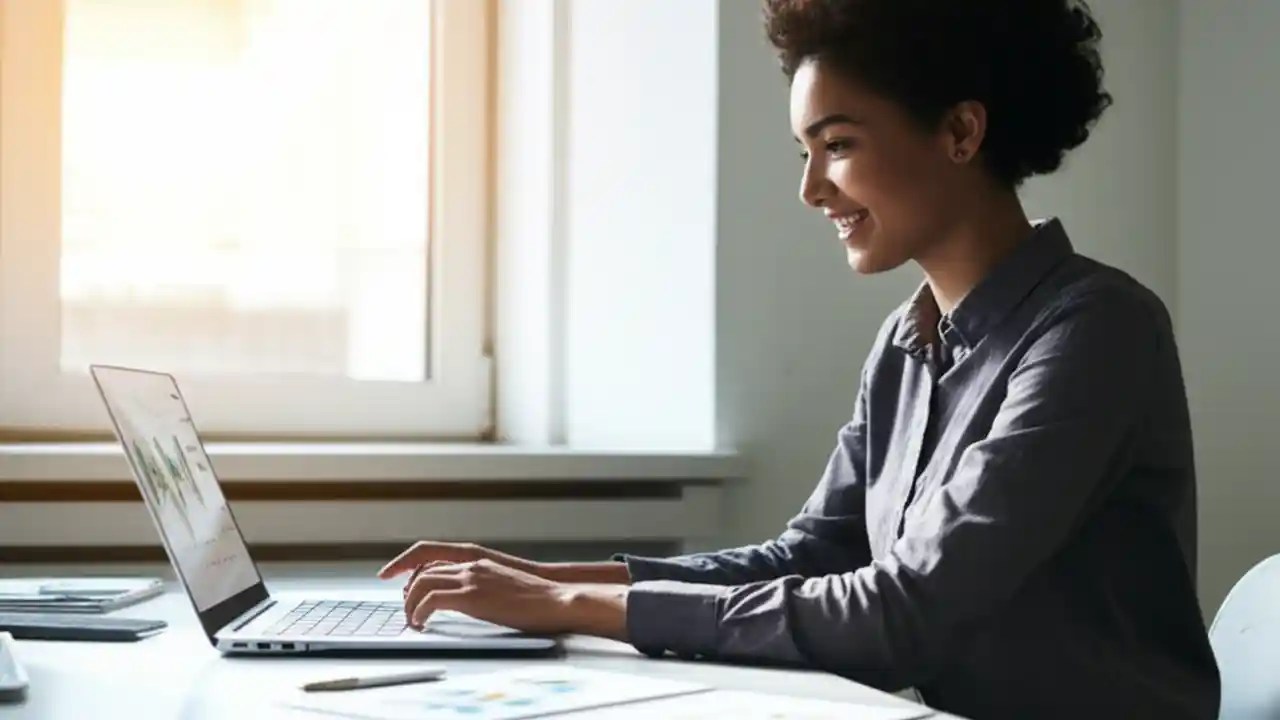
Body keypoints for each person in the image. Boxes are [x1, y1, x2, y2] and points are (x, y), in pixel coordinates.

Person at [378, 1, 1220, 717]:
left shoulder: (1096, 330)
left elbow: (903, 613)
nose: (812, 188)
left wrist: (573, 604)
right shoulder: (905, 344)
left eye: (838, 144)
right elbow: (811, 556)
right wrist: (541, 579)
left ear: (961, 131)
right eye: (804, 152)